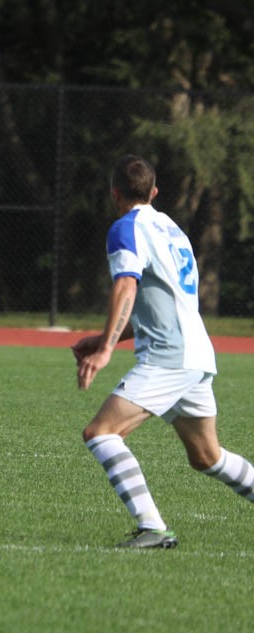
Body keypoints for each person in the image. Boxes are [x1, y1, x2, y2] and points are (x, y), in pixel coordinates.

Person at [72, 154, 254, 549]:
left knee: (101, 433)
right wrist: (108, 336)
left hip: (169, 356)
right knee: (207, 456)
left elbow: (127, 287)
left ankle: (152, 527)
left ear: (114, 192)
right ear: (154, 192)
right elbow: (164, 304)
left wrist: (104, 350)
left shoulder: (125, 228)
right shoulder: (172, 229)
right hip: (196, 354)